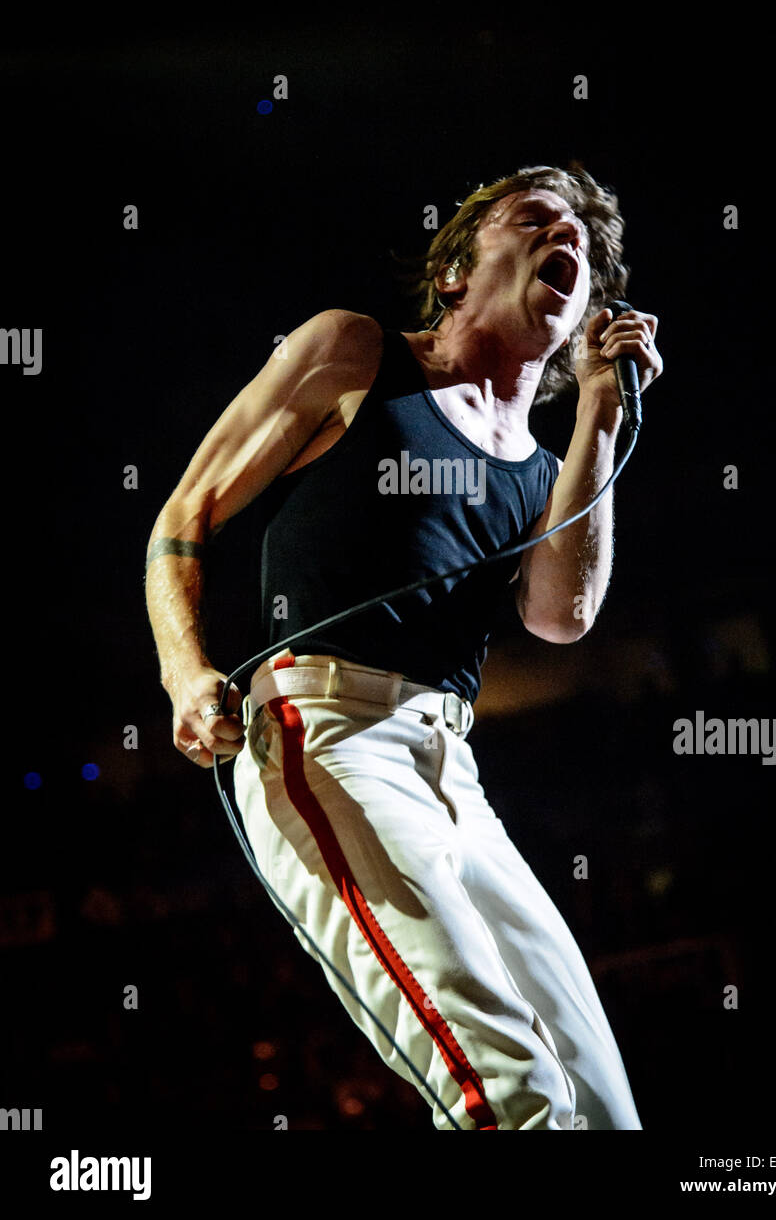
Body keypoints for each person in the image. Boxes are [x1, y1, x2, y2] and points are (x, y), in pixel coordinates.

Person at [144, 163, 663, 1130]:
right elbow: (184, 516)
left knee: (600, 1103)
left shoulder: (548, 470)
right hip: (330, 734)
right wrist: (185, 670)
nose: (570, 238)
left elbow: (562, 617)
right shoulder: (356, 354)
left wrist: (601, 407)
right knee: (512, 1092)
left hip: (450, 771)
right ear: (458, 272)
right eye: (537, 216)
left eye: (584, 245)